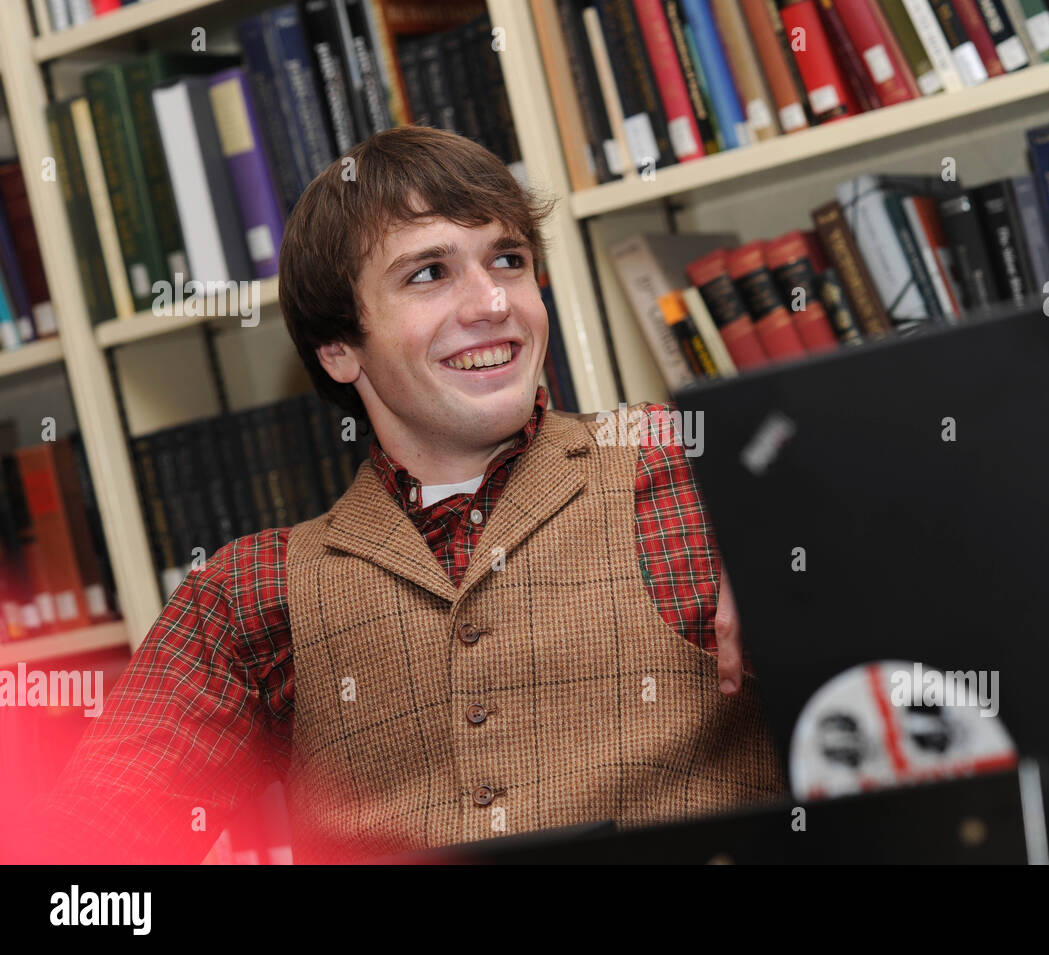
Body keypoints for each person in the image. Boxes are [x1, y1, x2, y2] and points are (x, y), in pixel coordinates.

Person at [27, 126, 786, 864]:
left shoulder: (689, 461)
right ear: (338, 349)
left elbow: (889, 614)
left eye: (509, 260)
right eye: (430, 273)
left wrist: (799, 565)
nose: (493, 303)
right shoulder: (249, 592)